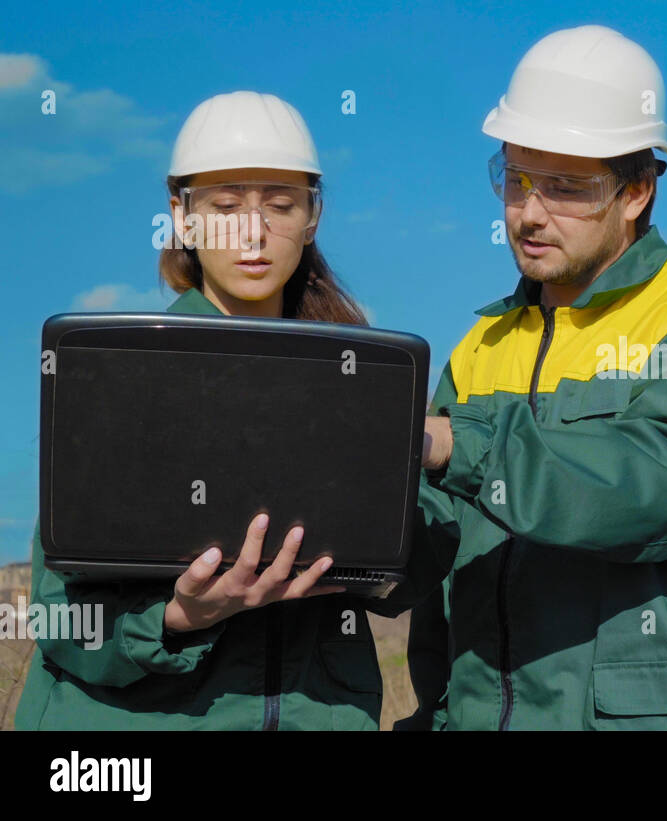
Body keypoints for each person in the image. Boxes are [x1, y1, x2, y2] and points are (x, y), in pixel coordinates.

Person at [17, 91, 443, 730]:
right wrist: (179, 618)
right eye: (224, 207)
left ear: (313, 217)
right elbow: (58, 616)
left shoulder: (365, 378)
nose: (254, 232)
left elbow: (419, 566)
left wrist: (384, 544)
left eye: (280, 205)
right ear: (180, 216)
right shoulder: (117, 375)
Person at [405, 25, 667, 730]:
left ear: (637, 191)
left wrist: (465, 448)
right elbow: (431, 552)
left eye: (564, 187)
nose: (529, 212)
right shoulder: (480, 346)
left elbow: (659, 483)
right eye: (515, 179)